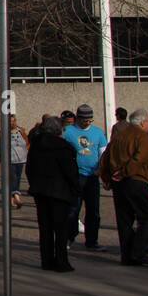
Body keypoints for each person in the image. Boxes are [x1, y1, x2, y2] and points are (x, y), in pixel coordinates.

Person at [102, 109, 148, 267]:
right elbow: (142, 157)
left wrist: (106, 177)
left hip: (119, 182)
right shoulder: (142, 136)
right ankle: (137, 252)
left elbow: (105, 156)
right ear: (142, 123)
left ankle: (127, 255)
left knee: (125, 219)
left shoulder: (119, 135)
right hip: (136, 180)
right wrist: (126, 172)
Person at [26, 116, 83, 271]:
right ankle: (61, 261)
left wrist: (34, 184)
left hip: (41, 191)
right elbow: (70, 171)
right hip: (60, 192)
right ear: (59, 130)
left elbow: (29, 168)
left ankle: (47, 260)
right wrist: (76, 188)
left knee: (45, 229)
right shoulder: (63, 147)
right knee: (61, 229)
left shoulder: (35, 146)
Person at [63, 104, 107, 251]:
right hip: (76, 176)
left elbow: (103, 153)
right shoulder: (68, 132)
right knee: (73, 209)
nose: (87, 122)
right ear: (78, 118)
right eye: (84, 120)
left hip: (92, 177)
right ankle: (69, 237)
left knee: (93, 210)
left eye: (90, 120)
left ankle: (92, 241)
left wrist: (100, 169)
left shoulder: (98, 133)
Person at [0, 114, 29, 209]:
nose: (13, 123)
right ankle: (17, 197)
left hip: (20, 160)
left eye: (14, 121)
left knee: (17, 178)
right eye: (11, 121)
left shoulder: (21, 132)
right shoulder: (3, 133)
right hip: (8, 161)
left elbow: (27, 144)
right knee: (13, 179)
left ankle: (11, 200)